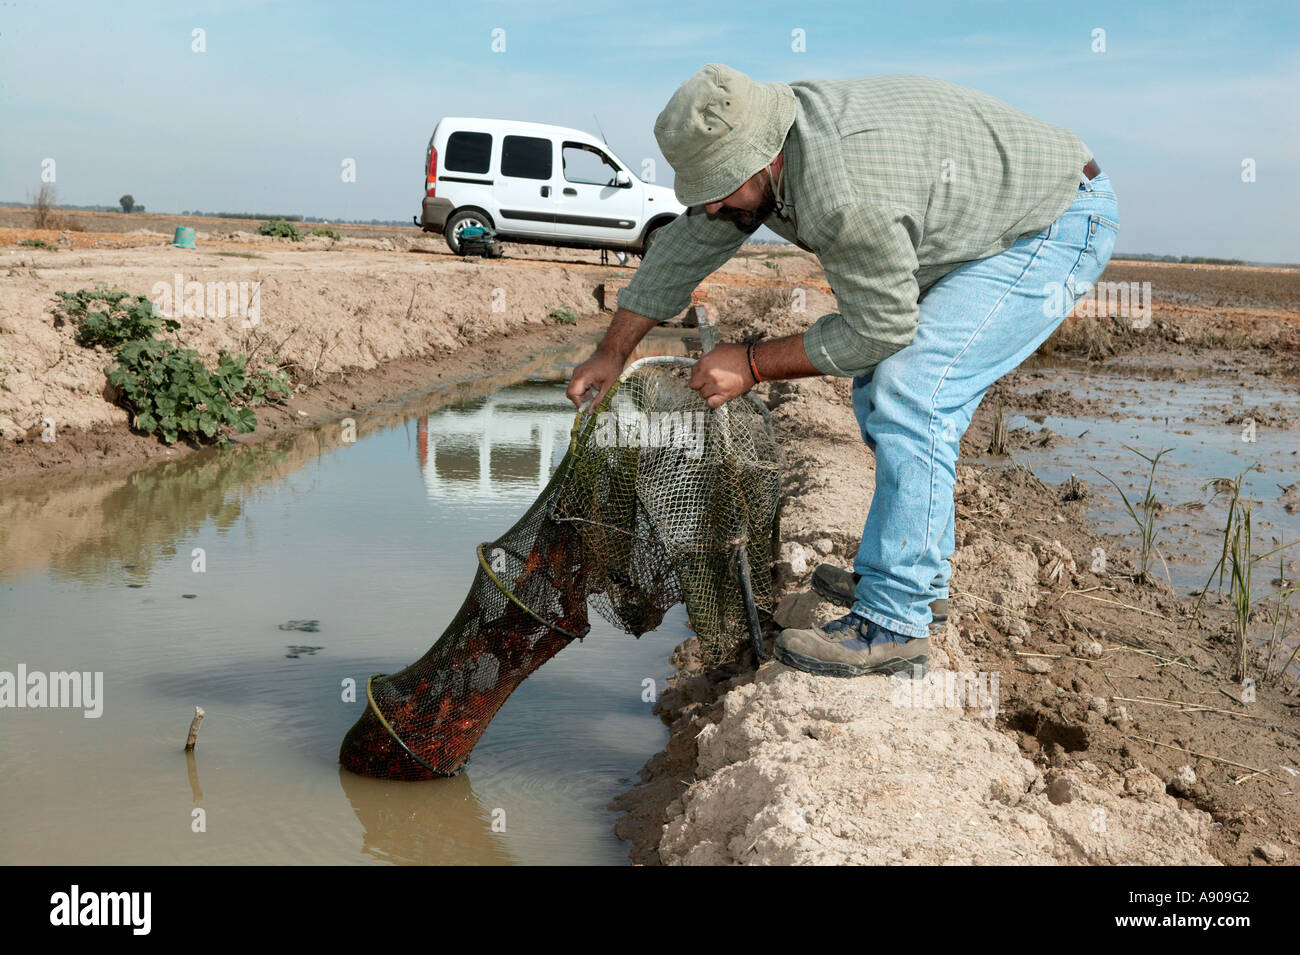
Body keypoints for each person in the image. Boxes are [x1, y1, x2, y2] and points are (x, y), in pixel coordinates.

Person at [566, 63, 1118, 678]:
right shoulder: (764, 161)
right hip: (968, 224)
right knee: (881, 385)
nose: (713, 202)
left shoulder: (845, 190)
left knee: (915, 391)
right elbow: (684, 247)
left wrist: (750, 364)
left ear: (766, 156)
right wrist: (613, 352)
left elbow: (880, 330)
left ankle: (896, 624)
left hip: (1050, 224)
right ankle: (914, 584)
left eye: (722, 185)